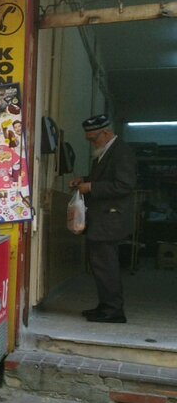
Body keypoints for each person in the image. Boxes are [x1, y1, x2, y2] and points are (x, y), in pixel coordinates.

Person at [70, 114, 137, 323]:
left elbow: (124, 185)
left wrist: (91, 187)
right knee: (100, 265)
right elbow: (105, 179)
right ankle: (105, 306)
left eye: (93, 138)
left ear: (106, 133)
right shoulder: (105, 151)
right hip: (102, 218)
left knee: (106, 265)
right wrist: (84, 180)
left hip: (110, 219)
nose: (91, 143)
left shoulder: (121, 152)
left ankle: (114, 310)